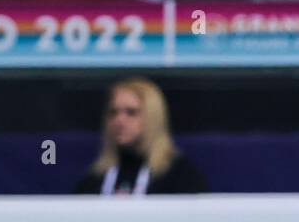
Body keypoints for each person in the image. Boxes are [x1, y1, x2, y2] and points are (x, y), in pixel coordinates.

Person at [74, 77, 207, 196]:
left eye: (131, 112)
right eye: (113, 112)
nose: (119, 120)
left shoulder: (180, 176)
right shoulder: (96, 177)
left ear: (153, 118)